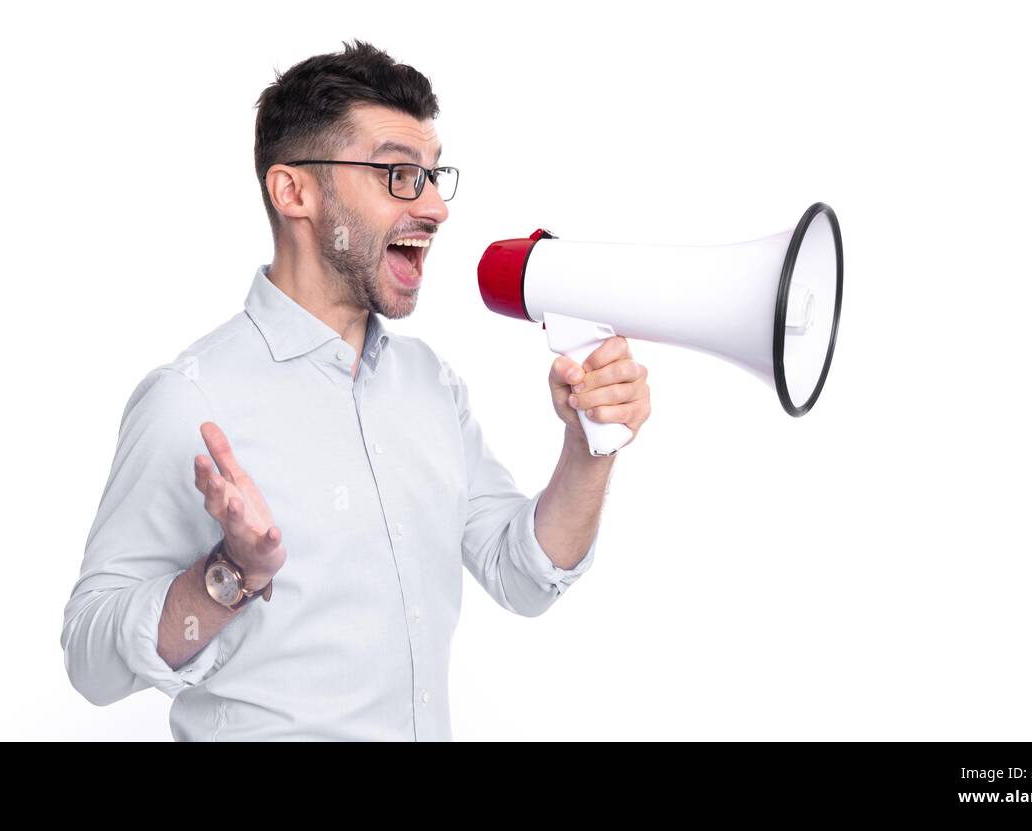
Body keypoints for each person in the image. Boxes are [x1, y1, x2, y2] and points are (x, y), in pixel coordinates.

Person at [60, 39, 652, 740]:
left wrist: (590, 445)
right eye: (398, 174)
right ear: (295, 192)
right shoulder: (191, 399)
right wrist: (230, 574)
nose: (435, 207)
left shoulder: (431, 385)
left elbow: (521, 573)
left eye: (434, 176)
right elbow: (90, 661)